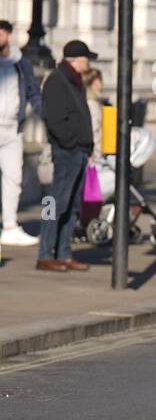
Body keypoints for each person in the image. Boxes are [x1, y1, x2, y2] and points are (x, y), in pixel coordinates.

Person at [38, 40, 97, 272]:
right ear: (76, 60)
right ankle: (45, 254)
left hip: (79, 152)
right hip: (67, 153)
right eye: (86, 58)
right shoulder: (57, 80)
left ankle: (63, 253)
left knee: (72, 206)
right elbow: (54, 119)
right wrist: (72, 145)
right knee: (55, 203)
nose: (89, 63)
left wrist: (86, 148)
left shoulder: (75, 81)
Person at [0, 19, 43, 247]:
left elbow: (32, 91)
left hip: (12, 129)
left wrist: (43, 113)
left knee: (13, 179)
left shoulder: (20, 64)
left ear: (8, 35)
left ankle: (9, 226)